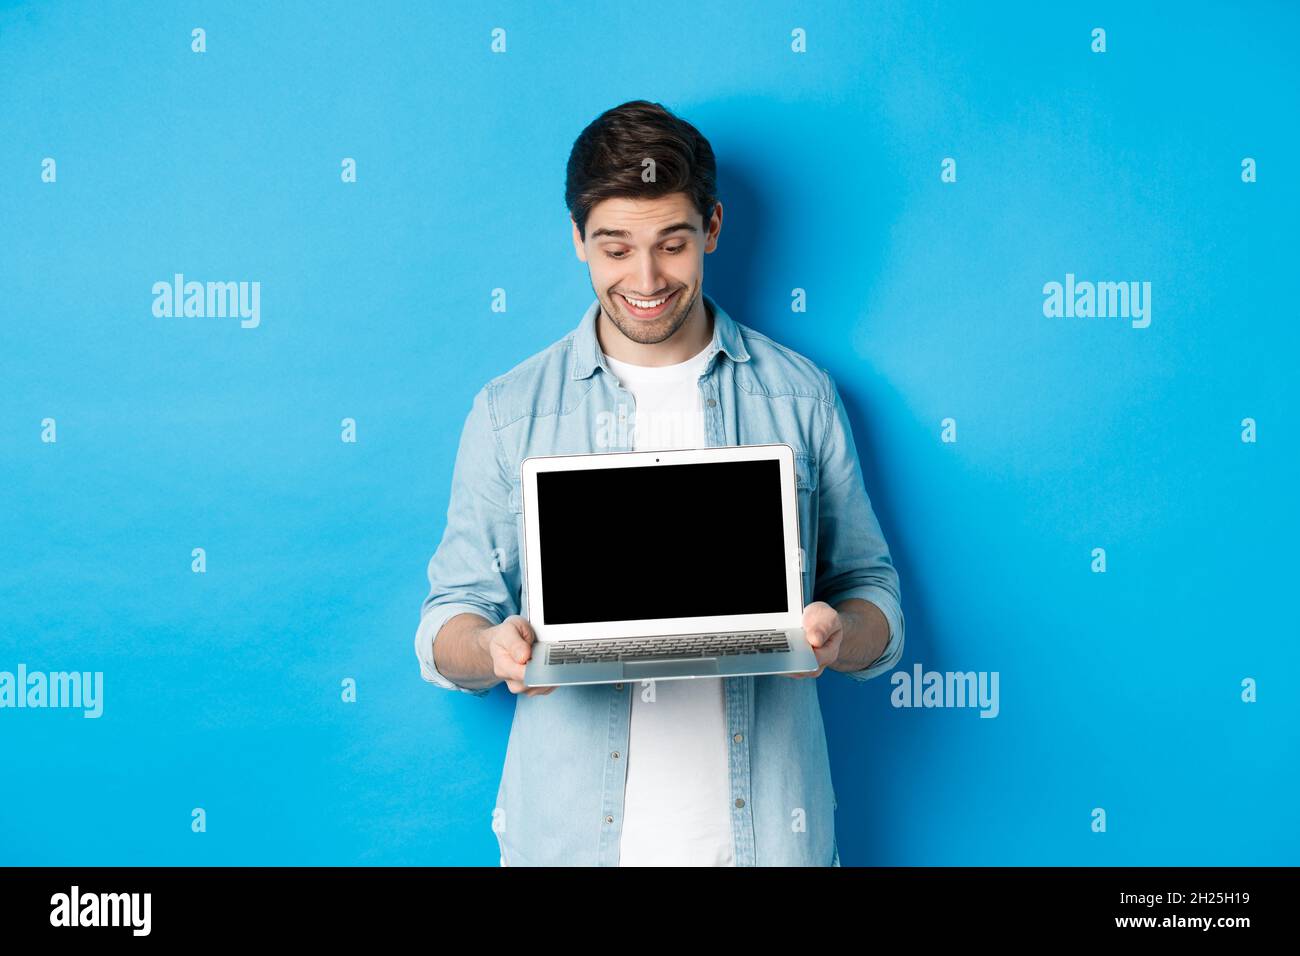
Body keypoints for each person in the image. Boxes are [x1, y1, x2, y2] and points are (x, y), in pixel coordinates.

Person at [414, 100, 904, 866]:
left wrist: (838, 637)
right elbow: (447, 626)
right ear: (577, 240)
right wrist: (493, 648)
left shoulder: (800, 397)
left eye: (671, 245)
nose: (645, 279)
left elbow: (872, 592)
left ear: (712, 228)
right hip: (569, 845)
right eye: (615, 248)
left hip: (769, 841)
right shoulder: (509, 412)